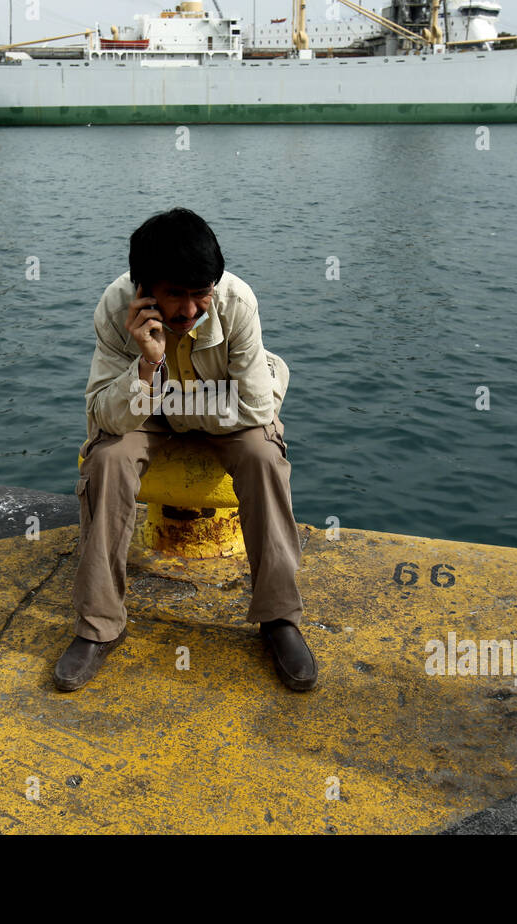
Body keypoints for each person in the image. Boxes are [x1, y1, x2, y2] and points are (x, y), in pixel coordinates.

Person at [56, 207, 317, 692]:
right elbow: (101, 413)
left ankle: (279, 617)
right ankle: (99, 624)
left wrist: (168, 404)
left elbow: (257, 408)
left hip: (216, 407)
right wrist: (147, 367)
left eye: (201, 294)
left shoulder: (236, 303)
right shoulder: (115, 309)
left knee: (264, 458)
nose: (191, 310)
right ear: (143, 289)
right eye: (175, 294)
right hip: (161, 403)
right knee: (108, 458)